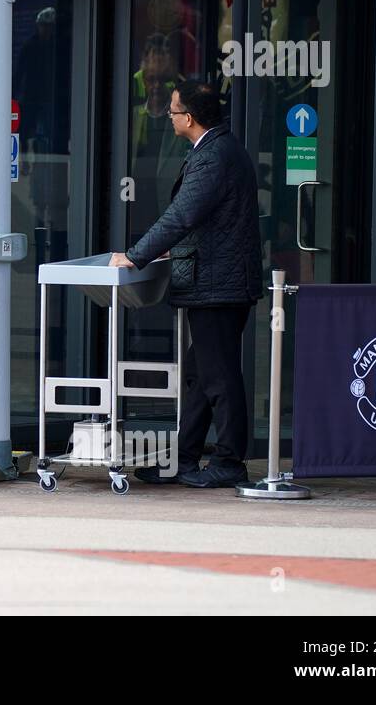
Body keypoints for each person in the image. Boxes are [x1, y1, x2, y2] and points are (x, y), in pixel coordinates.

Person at [110, 81, 263, 488]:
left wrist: (137, 254)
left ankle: (230, 462)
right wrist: (165, 252)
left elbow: (182, 215)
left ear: (189, 118)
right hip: (219, 279)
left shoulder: (213, 157)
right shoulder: (218, 150)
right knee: (200, 375)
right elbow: (206, 221)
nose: (170, 117)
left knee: (219, 376)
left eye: (173, 112)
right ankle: (183, 458)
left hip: (218, 284)